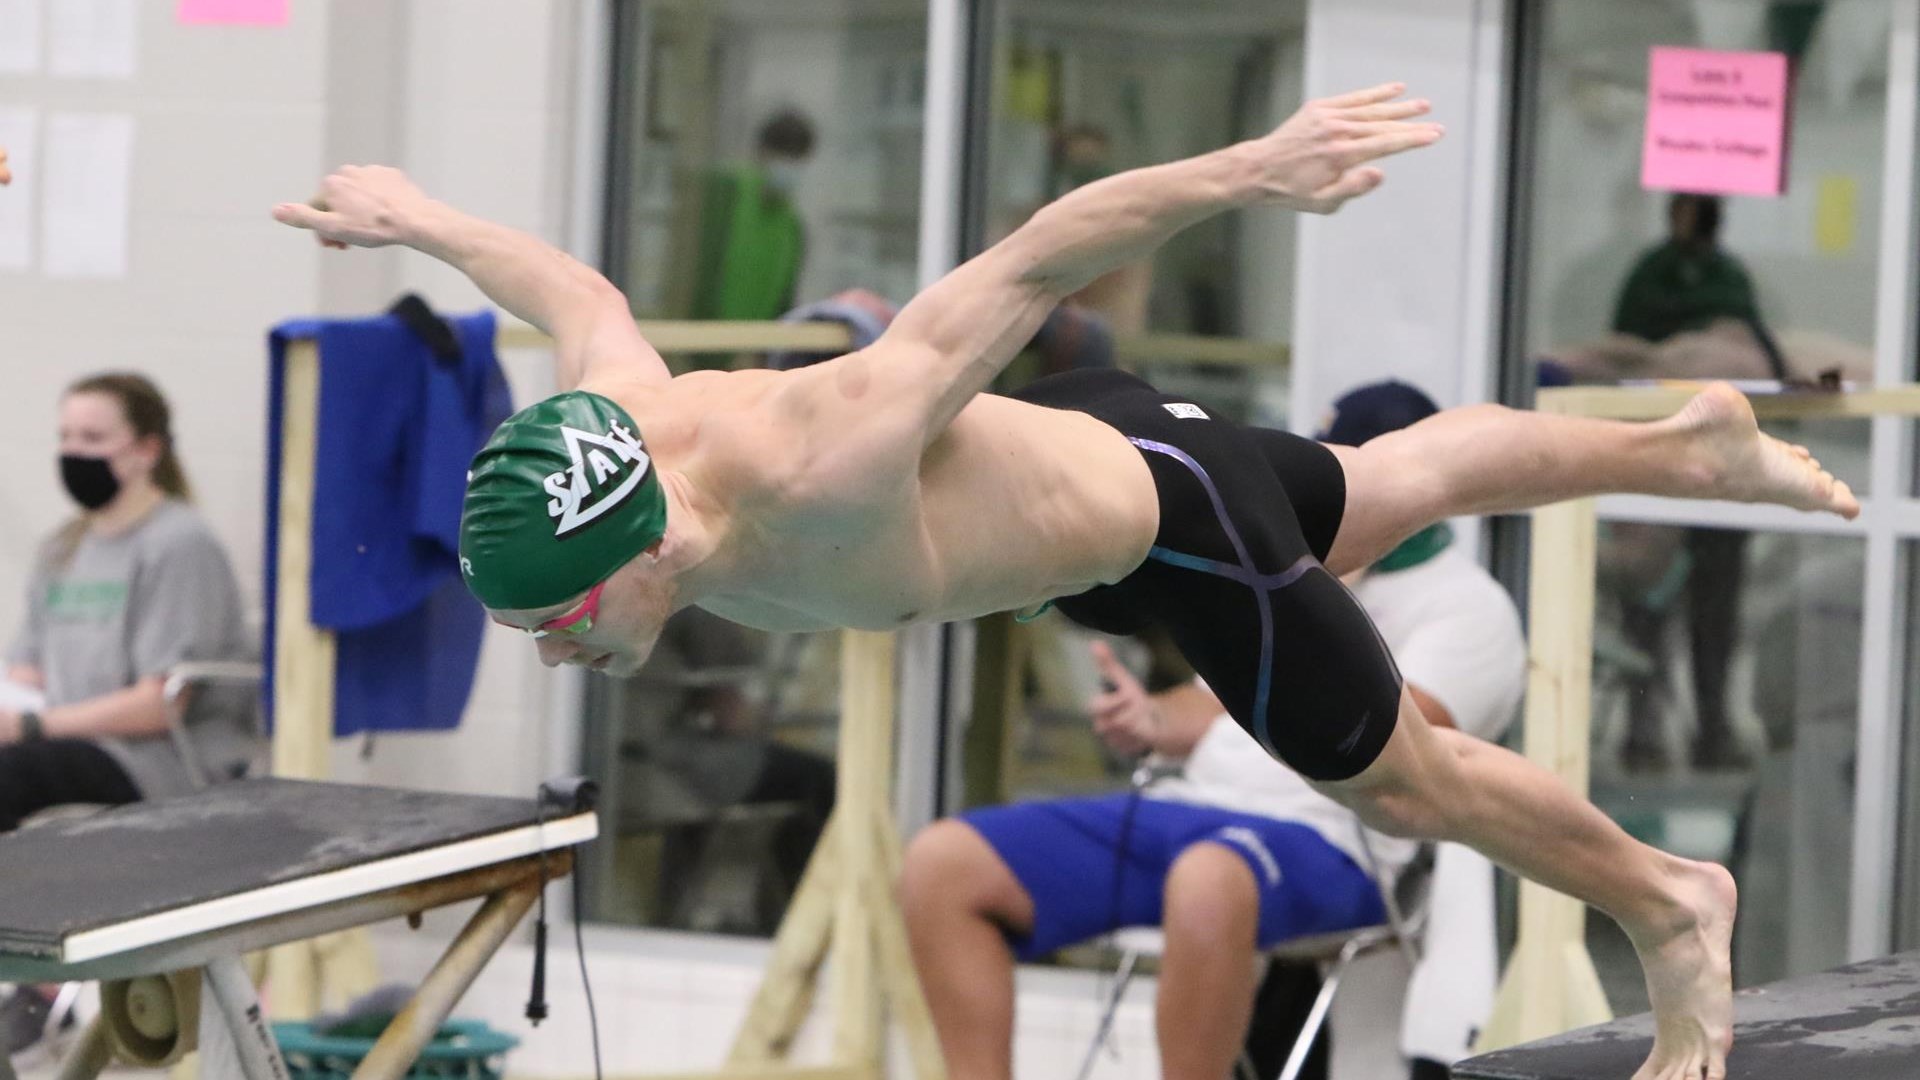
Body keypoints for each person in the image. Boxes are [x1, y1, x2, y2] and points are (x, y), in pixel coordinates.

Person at [275, 82, 1857, 1080]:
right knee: (1376, 493)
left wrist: (1262, 165)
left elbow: (1032, 256)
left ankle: (1671, 905)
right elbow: (572, 288)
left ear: (645, 549)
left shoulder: (826, 448)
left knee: (1407, 782)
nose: (555, 660)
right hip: (1064, 481)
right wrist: (414, 217)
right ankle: (1685, 444)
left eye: (560, 628)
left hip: (1165, 520)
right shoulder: (611, 423)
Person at [900, 380, 1526, 1080]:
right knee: (944, 865)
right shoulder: (1287, 566)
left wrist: (1327, 588)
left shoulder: (1468, 606)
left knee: (1210, 879)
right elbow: (1214, 703)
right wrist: (1152, 718)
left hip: (1338, 842)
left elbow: (1391, 744)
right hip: (1196, 810)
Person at [1, 372, 256, 1055]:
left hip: (158, 761)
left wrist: (29, 726)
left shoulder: (178, 545)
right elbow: (25, 675)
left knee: (14, 774)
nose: (73, 451)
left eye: (92, 437)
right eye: (64, 437)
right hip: (72, 745)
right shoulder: (64, 547)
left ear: (145, 450)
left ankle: (37, 976)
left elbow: (158, 703)